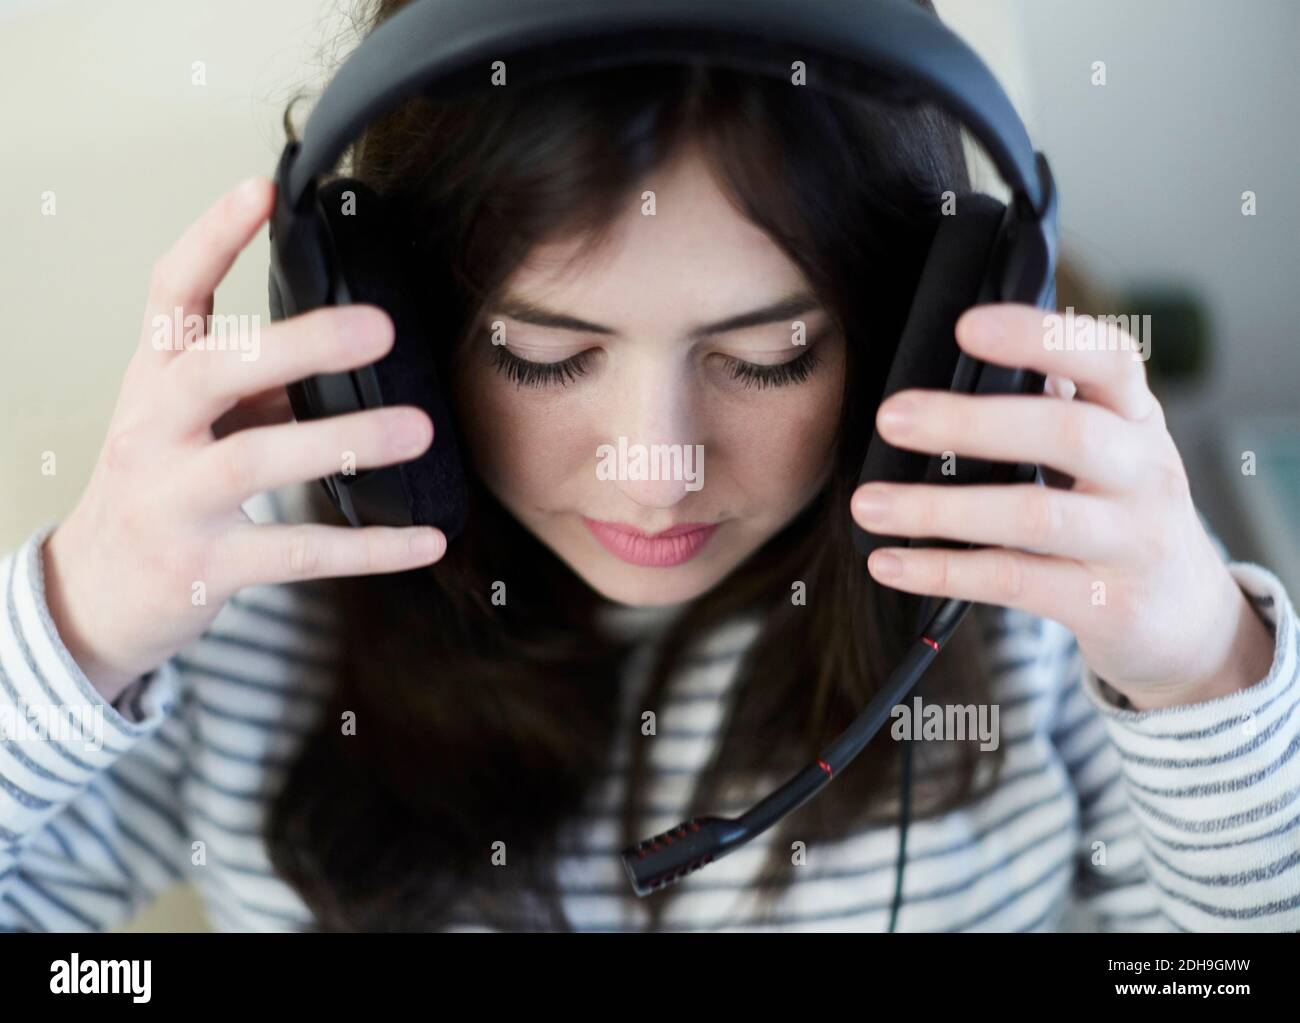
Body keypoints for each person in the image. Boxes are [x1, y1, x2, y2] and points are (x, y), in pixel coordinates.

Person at [2, 0, 1296, 932]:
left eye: (772, 354)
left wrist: (1201, 675)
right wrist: (71, 636)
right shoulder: (245, 618)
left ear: (908, 336)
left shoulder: (1033, 612)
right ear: (389, 335)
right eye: (548, 356)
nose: (657, 472)